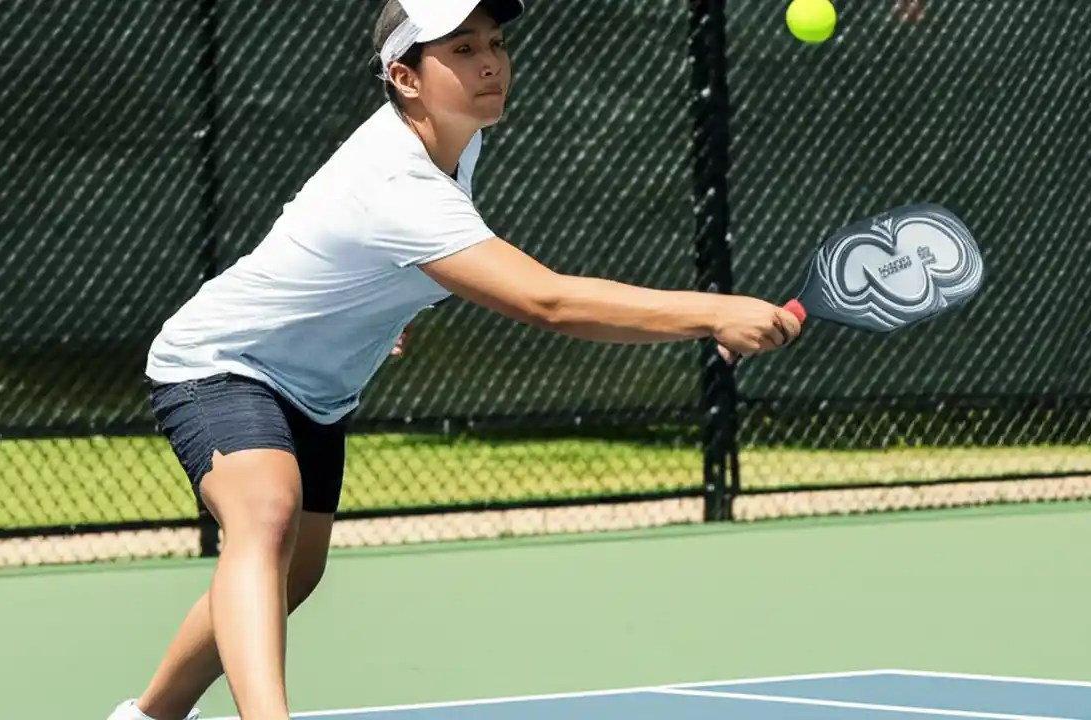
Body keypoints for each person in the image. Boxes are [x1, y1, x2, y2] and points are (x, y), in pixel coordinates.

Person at [107, 1, 800, 718]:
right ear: (405, 77)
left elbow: (367, 260)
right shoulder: (398, 182)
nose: (491, 61)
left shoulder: (454, 143)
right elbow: (549, 302)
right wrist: (714, 312)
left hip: (317, 389)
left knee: (296, 574)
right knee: (266, 518)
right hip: (220, 361)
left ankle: (148, 716)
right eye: (462, 49)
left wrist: (381, 311)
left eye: (494, 43)